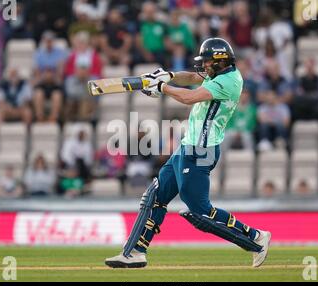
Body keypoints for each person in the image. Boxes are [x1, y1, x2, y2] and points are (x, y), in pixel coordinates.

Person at [105, 38, 271, 268]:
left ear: (219, 62)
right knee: (154, 196)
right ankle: (134, 252)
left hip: (201, 151)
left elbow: (188, 97)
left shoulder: (229, 81)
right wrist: (167, 76)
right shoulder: (217, 72)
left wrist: (161, 88)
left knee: (201, 212)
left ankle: (255, 238)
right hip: (188, 146)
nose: (203, 67)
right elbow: (191, 78)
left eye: (207, 62)